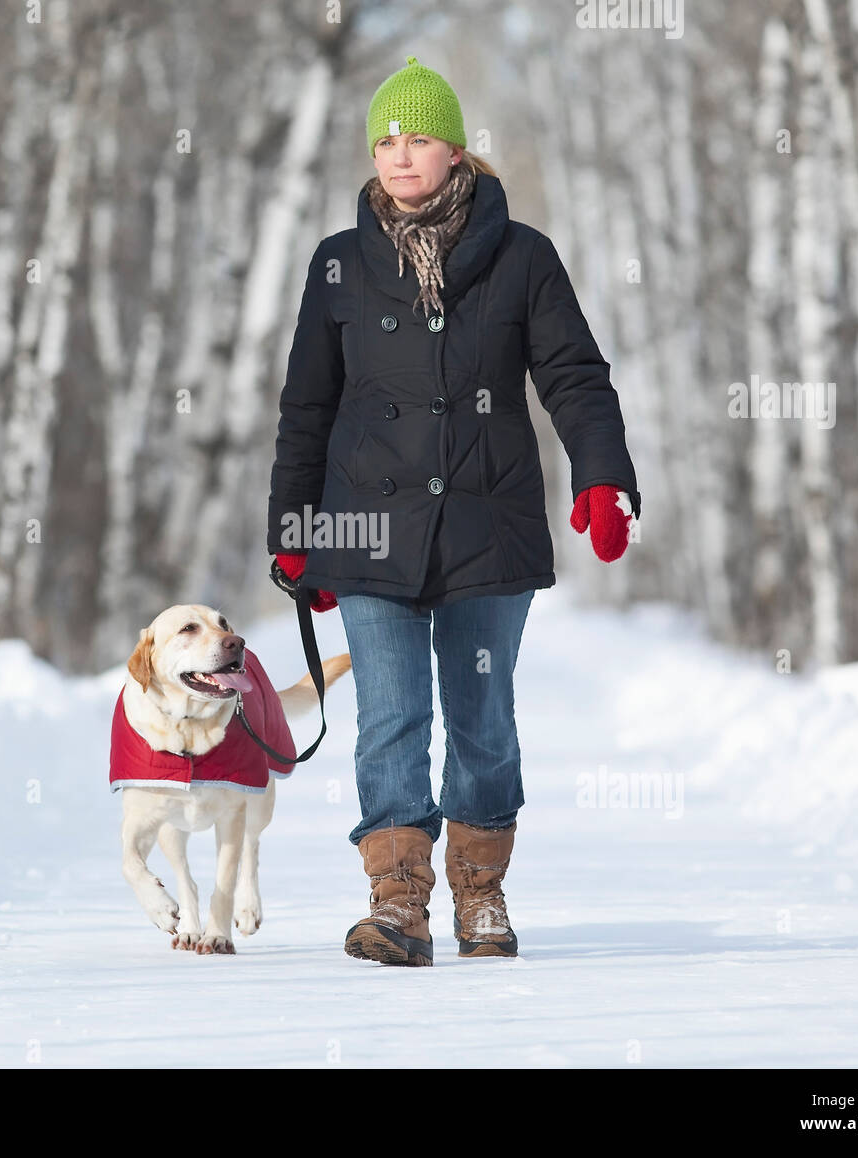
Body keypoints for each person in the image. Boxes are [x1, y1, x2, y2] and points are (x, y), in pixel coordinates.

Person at [266, 55, 641, 967]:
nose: (399, 156)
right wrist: (296, 530)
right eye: (386, 139)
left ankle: (481, 891)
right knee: (390, 714)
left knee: (481, 717)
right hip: (366, 532)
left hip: (488, 525)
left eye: (418, 138)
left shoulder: (522, 257)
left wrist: (601, 473)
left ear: (455, 148)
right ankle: (397, 901)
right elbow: (306, 406)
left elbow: (574, 378)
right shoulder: (336, 265)